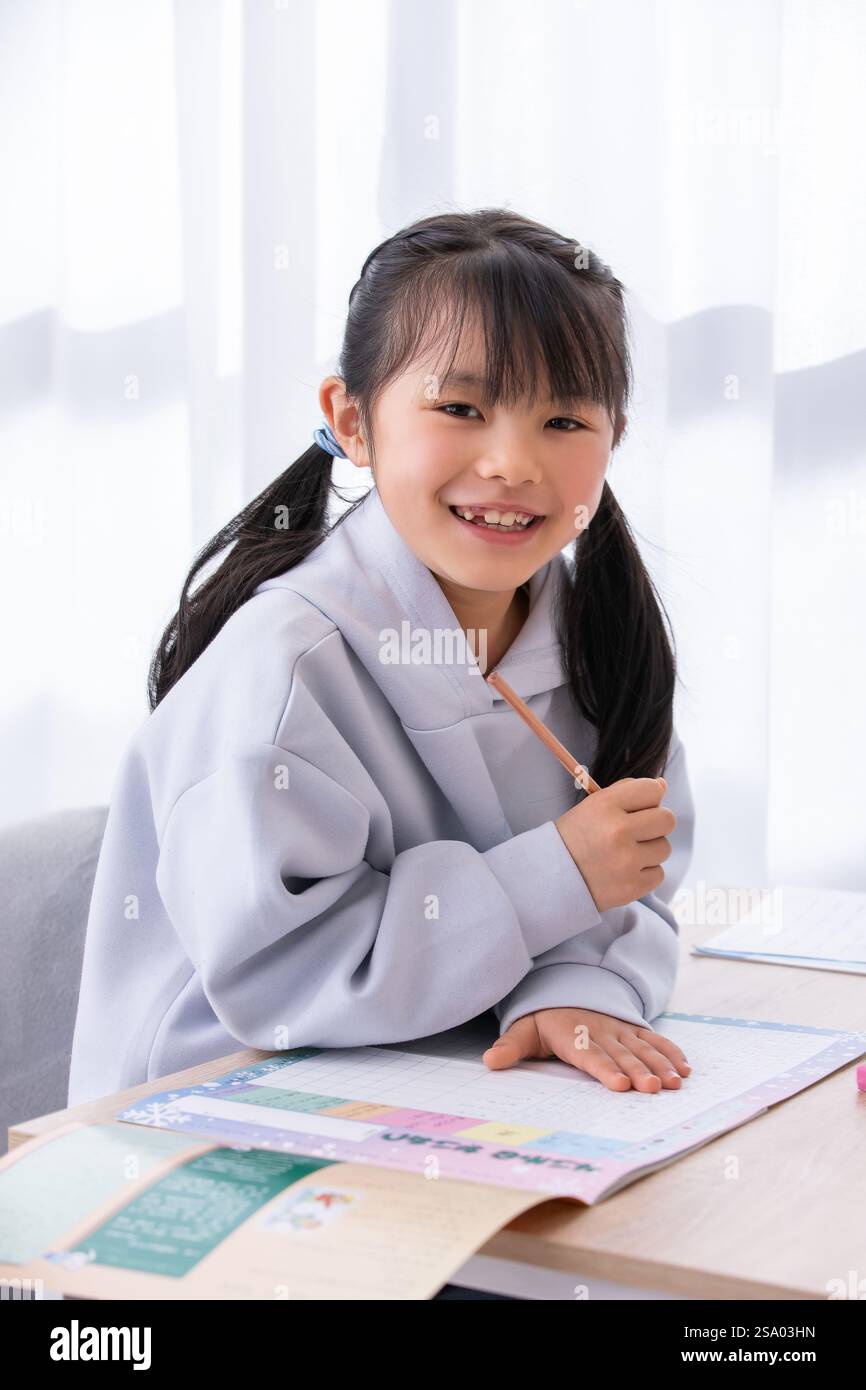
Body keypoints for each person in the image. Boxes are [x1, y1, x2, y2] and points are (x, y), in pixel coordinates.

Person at [67, 208, 695, 1106]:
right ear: (352, 422)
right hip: (222, 1113)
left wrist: (572, 991)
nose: (514, 462)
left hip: (461, 1090)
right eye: (460, 408)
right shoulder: (283, 669)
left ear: (615, 435)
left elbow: (635, 871)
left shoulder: (606, 641)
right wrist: (552, 877)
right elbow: (280, 972)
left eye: (564, 418)